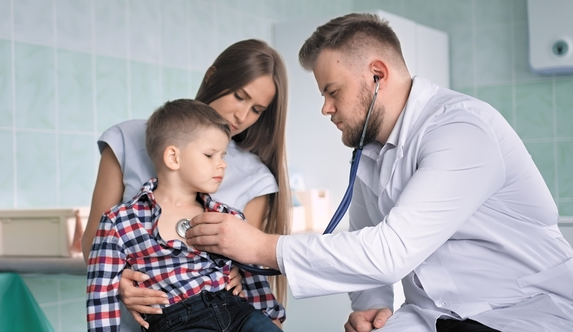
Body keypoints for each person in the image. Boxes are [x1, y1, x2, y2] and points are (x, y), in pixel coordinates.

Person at [186, 13, 573, 332]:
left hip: (522, 312)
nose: (325, 108)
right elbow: (364, 241)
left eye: (332, 91)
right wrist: (373, 304)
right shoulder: (371, 152)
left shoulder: (461, 130)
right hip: (435, 316)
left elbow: (390, 251)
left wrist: (259, 247)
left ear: (377, 75)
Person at [82, 39, 291, 331]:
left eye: (256, 109)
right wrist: (121, 283)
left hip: (231, 313)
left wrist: (241, 279)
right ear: (212, 76)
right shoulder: (127, 139)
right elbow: (95, 243)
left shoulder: (255, 177)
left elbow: (245, 263)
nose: (242, 116)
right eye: (240, 96)